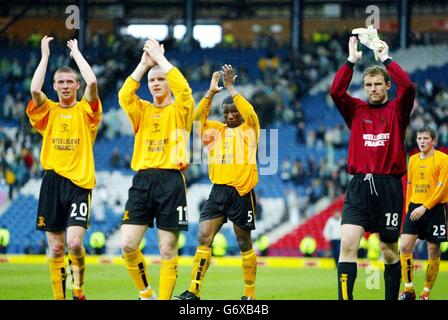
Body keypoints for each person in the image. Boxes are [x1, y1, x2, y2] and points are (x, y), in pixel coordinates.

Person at [330, 36, 415, 300]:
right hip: (358, 186)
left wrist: (386, 58)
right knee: (347, 244)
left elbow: (409, 87)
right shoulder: (355, 109)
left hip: (388, 187)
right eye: (368, 85)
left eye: (378, 84)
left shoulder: (396, 111)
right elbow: (335, 92)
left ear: (387, 85)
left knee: (389, 251)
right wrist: (350, 62)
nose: (373, 89)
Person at [26, 36, 102, 300]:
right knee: (57, 248)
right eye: (61, 82)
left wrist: (76, 53)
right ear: (55, 86)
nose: (66, 85)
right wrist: (45, 56)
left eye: (70, 81)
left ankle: (78, 287)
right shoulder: (49, 111)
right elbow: (35, 91)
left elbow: (93, 82)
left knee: (74, 243)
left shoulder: (86, 111)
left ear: (77, 85)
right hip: (52, 183)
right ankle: (60, 297)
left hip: (79, 184)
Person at [175, 65, 260, 300]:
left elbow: (250, 112)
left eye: (234, 112)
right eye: (226, 113)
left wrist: (231, 88)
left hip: (242, 192)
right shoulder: (215, 131)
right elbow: (196, 120)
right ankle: (194, 290)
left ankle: (249, 294)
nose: (231, 115)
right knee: (204, 237)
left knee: (244, 242)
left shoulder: (250, 129)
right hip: (218, 192)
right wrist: (210, 93)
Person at [118, 38, 194, 300]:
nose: (156, 83)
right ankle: (146, 293)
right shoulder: (142, 110)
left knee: (167, 250)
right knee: (127, 244)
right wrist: (143, 65)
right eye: (152, 80)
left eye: (161, 79)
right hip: (142, 181)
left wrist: (161, 60)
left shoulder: (181, 110)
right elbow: (125, 94)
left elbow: (184, 90)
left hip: (171, 180)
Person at [399, 127, 448, 300]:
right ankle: (409, 289)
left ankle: (425, 292)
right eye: (419, 138)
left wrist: (425, 207)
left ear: (433, 141)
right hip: (414, 208)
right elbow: (410, 187)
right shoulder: (412, 160)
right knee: (404, 246)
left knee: (433, 251)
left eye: (426, 138)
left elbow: (443, 189)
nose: (421, 141)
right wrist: (408, 211)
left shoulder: (443, 159)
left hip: (435, 209)